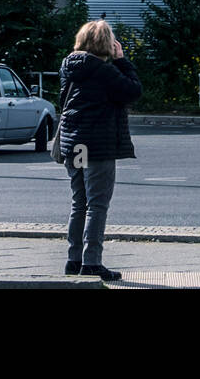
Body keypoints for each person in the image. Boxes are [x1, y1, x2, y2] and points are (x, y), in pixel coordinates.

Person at [58, 18, 142, 280]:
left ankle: (74, 259)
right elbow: (133, 91)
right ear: (107, 43)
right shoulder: (104, 71)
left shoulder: (68, 66)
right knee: (97, 205)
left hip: (73, 144)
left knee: (78, 204)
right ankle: (92, 262)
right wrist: (121, 60)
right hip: (97, 146)